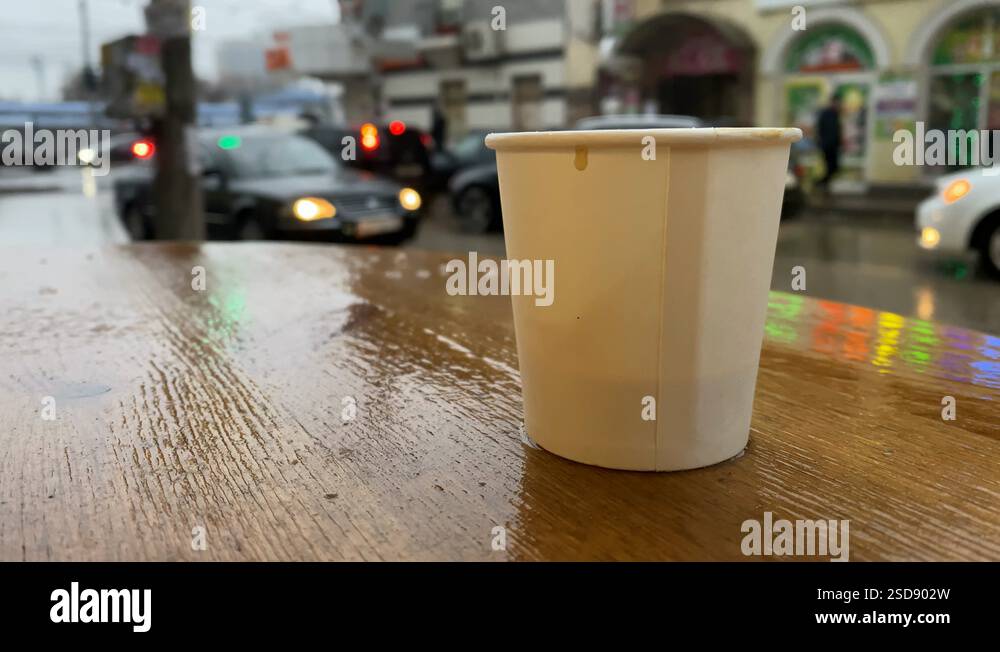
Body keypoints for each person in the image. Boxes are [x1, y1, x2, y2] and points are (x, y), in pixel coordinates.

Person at [816, 92, 843, 192]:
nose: (838, 104)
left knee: (834, 167)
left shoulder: (836, 114)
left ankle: (823, 183)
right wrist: (821, 143)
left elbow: (837, 130)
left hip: (834, 146)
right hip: (827, 145)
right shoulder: (826, 113)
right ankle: (821, 183)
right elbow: (820, 129)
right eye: (837, 102)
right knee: (830, 166)